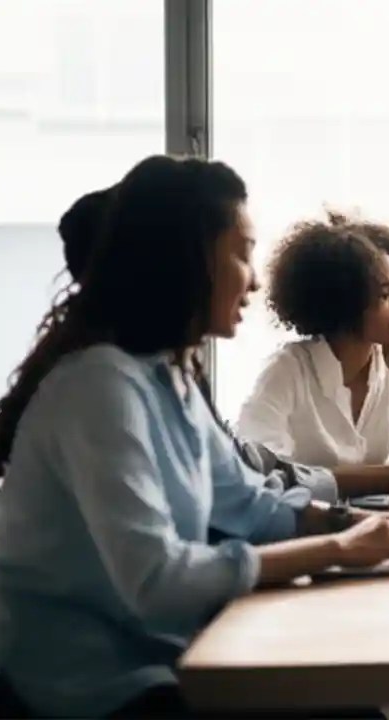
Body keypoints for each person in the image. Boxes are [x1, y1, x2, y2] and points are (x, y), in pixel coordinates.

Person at [0, 155, 389, 718]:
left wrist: (370, 523)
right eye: (242, 253)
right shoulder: (99, 385)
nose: (254, 279)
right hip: (62, 689)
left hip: (152, 659)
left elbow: (251, 505)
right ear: (186, 260)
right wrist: (336, 548)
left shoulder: (171, 378)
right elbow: (156, 578)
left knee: (346, 707)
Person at [57, 185, 337, 503]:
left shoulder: (169, 369)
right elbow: (232, 503)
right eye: (233, 255)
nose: (254, 282)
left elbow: (236, 475)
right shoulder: (108, 389)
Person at [237, 211, 389, 495]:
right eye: (384, 295)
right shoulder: (286, 371)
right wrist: (386, 477)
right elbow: (260, 475)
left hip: (374, 517)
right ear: (345, 299)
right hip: (304, 519)